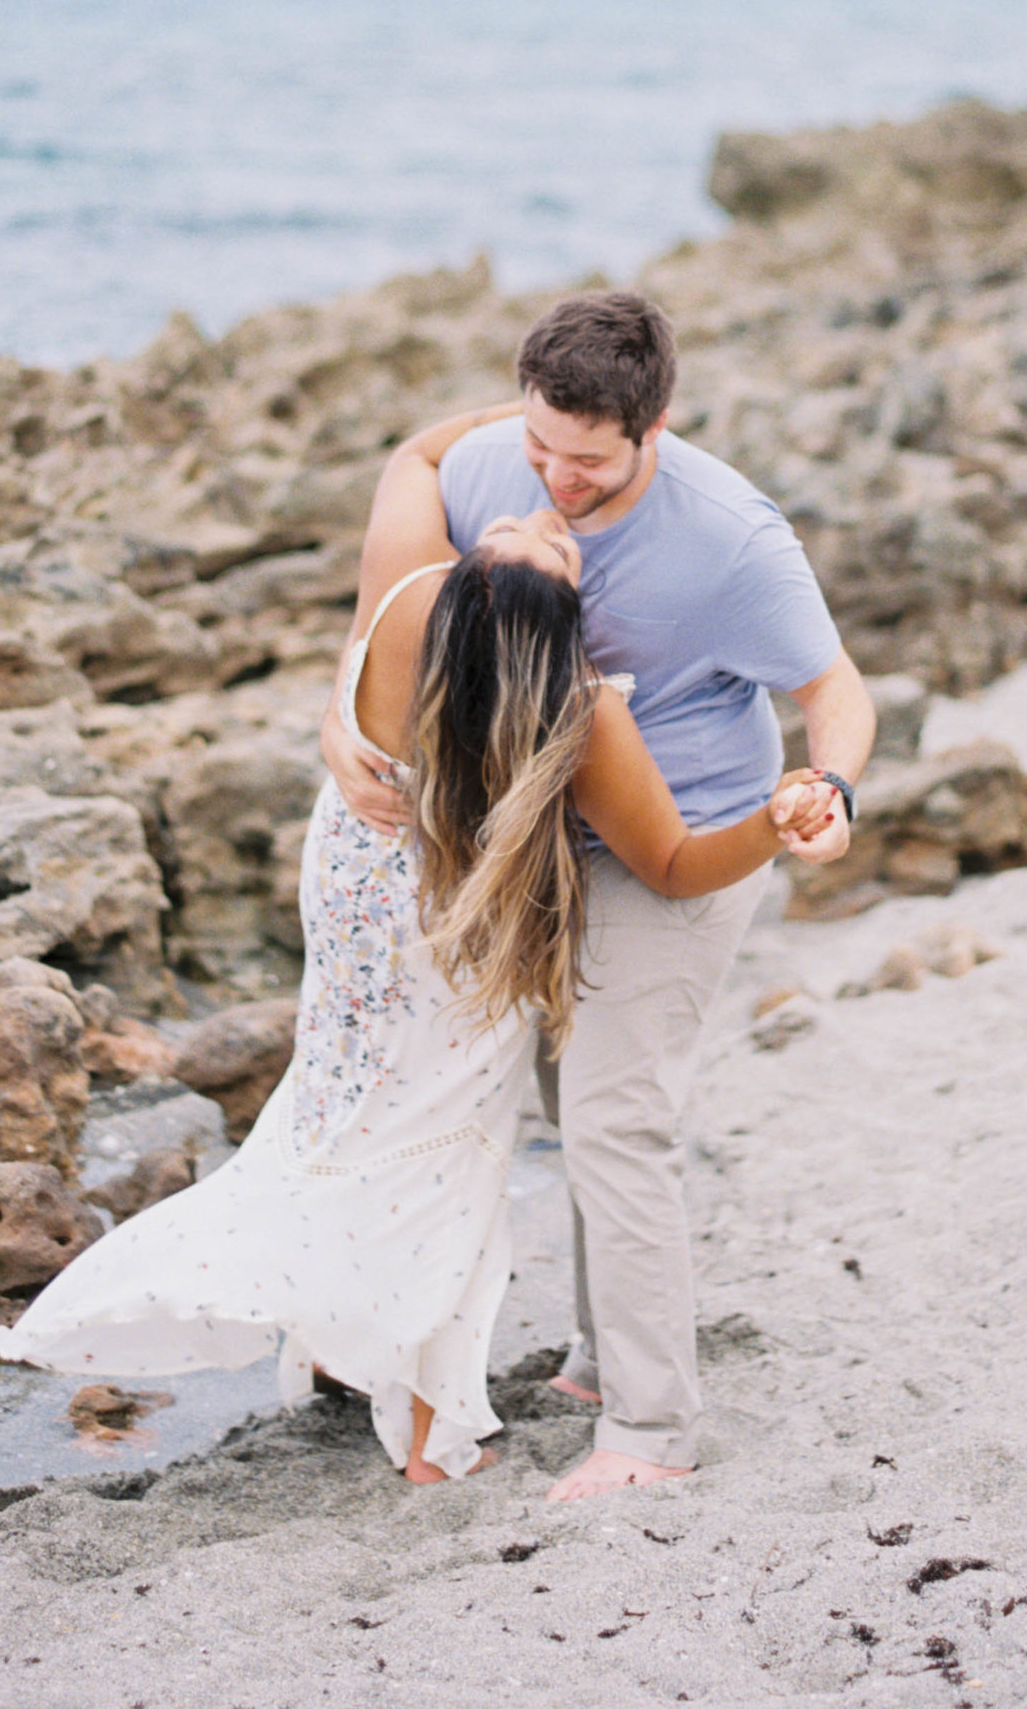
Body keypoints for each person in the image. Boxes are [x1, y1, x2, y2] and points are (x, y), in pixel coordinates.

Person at [0, 408, 840, 1484]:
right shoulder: (570, 706)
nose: (542, 507)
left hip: (349, 896)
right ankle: (433, 1433)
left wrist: (522, 415)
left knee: (342, 1109)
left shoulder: (405, 602)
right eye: (536, 530)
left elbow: (413, 455)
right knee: (447, 1156)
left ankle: (340, 1350)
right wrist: (771, 821)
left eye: (537, 530)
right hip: (444, 929)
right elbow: (671, 865)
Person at [322, 290, 875, 1502]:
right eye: (539, 450)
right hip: (542, 853)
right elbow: (413, 491)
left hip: (688, 842)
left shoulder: (730, 541)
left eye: (586, 463)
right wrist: (336, 706)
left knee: (619, 1122)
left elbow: (837, 687)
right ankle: (590, 1354)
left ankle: (651, 1430)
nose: (552, 484)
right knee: (574, 1109)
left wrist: (825, 787)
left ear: (654, 426)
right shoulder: (491, 467)